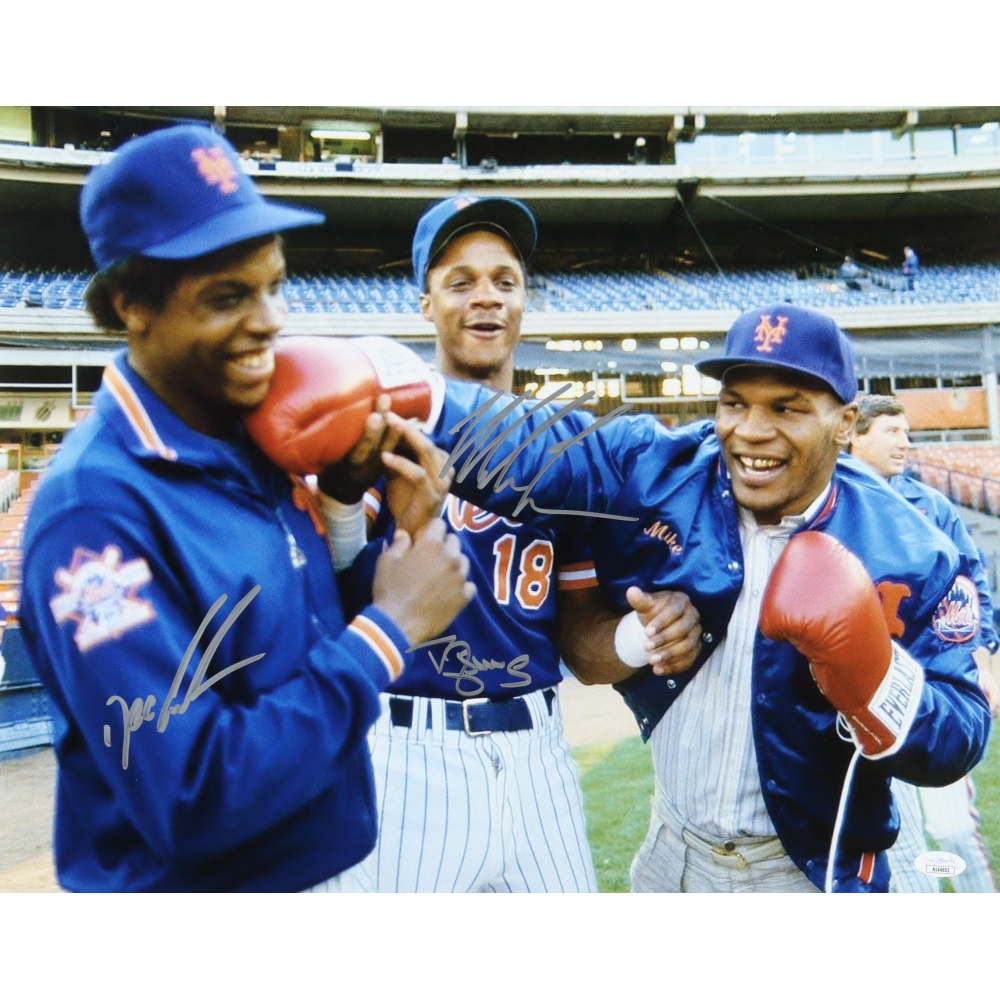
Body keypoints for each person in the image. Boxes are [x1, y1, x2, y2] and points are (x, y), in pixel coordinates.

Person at [248, 301, 993, 893]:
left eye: (788, 408)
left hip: (808, 871)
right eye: (735, 402)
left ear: (845, 422)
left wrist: (872, 681)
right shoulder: (664, 469)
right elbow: (542, 445)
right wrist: (408, 392)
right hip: (672, 853)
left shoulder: (914, 547)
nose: (750, 431)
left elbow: (960, 733)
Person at [18, 125, 475, 892]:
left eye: (273, 286)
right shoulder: (90, 516)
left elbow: (289, 649)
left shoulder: (247, 435)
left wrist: (347, 510)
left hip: (322, 874)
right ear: (132, 304)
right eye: (228, 296)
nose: (268, 320)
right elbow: (189, 796)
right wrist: (389, 632)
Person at [317, 194, 702, 892]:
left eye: (505, 280)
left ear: (525, 301)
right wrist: (358, 507)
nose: (486, 297)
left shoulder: (567, 456)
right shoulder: (386, 428)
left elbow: (580, 645)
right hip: (407, 749)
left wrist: (644, 636)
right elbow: (328, 597)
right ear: (425, 304)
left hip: (537, 753)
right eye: (459, 282)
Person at [850, 393, 998, 893]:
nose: (905, 442)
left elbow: (971, 586)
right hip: (864, 693)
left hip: (934, 686)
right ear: (854, 435)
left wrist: (982, 665)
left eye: (907, 431)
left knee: (953, 831)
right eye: (891, 431)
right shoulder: (830, 501)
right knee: (902, 845)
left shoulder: (930, 505)